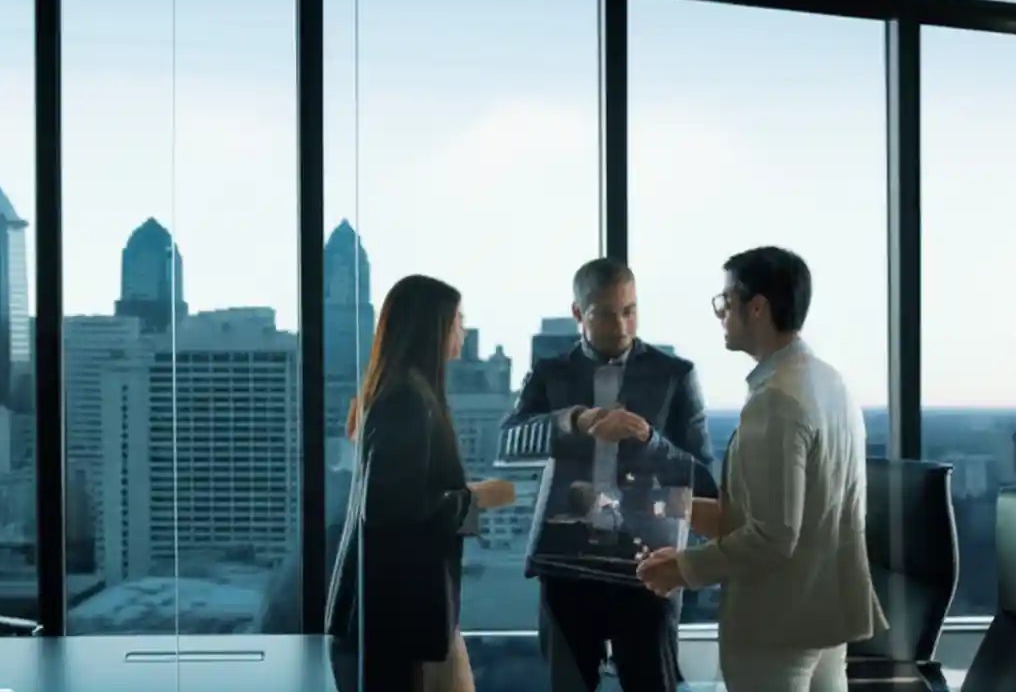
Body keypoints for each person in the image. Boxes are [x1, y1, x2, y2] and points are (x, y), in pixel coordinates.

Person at [637, 246, 888, 692]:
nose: (721, 314)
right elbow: (795, 514)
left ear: (756, 308)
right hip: (824, 618)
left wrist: (684, 568)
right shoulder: (829, 382)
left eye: (726, 301)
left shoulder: (776, 399)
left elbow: (773, 536)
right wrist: (670, 505)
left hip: (776, 625)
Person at [500, 258, 718, 692]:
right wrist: (575, 421)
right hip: (565, 562)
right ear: (578, 313)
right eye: (605, 314)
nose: (621, 326)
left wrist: (650, 440)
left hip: (647, 563)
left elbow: (703, 478)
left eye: (629, 311)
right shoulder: (550, 373)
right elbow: (510, 440)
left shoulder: (674, 375)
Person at [326, 274, 516, 692]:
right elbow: (389, 507)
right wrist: (475, 499)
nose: (463, 331)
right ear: (433, 327)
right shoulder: (406, 400)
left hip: (392, 616)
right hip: (395, 620)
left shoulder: (401, 393)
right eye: (457, 320)